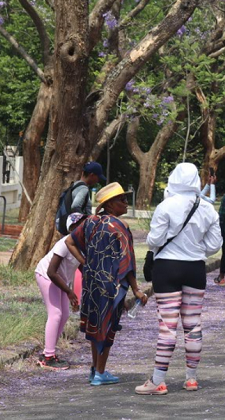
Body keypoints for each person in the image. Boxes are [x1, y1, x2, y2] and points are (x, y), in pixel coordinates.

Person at [136, 164, 222, 395]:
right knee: (193, 324)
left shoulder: (166, 206)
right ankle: (191, 379)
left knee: (167, 326)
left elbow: (154, 241)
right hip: (195, 268)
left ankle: (158, 381)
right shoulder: (207, 208)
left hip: (167, 268)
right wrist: (195, 250)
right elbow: (215, 245)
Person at [66, 182, 147, 386]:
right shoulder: (120, 226)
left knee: (95, 326)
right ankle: (100, 373)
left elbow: (69, 242)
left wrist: (86, 263)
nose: (126, 202)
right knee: (108, 327)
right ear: (110, 204)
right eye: (122, 199)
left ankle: (95, 369)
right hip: (111, 284)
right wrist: (136, 289)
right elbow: (128, 261)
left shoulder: (90, 221)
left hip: (91, 282)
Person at [35, 213, 85, 370]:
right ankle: (48, 357)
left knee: (64, 315)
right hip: (46, 276)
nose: (84, 228)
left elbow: (82, 270)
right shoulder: (64, 243)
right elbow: (51, 272)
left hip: (61, 280)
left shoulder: (84, 246)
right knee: (55, 314)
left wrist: (78, 295)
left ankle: (48, 353)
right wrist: (69, 292)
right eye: (80, 225)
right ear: (72, 228)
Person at [55, 161, 106, 232]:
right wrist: (85, 222)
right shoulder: (83, 188)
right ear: (92, 175)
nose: (98, 181)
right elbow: (75, 206)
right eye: (98, 178)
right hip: (75, 230)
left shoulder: (75, 185)